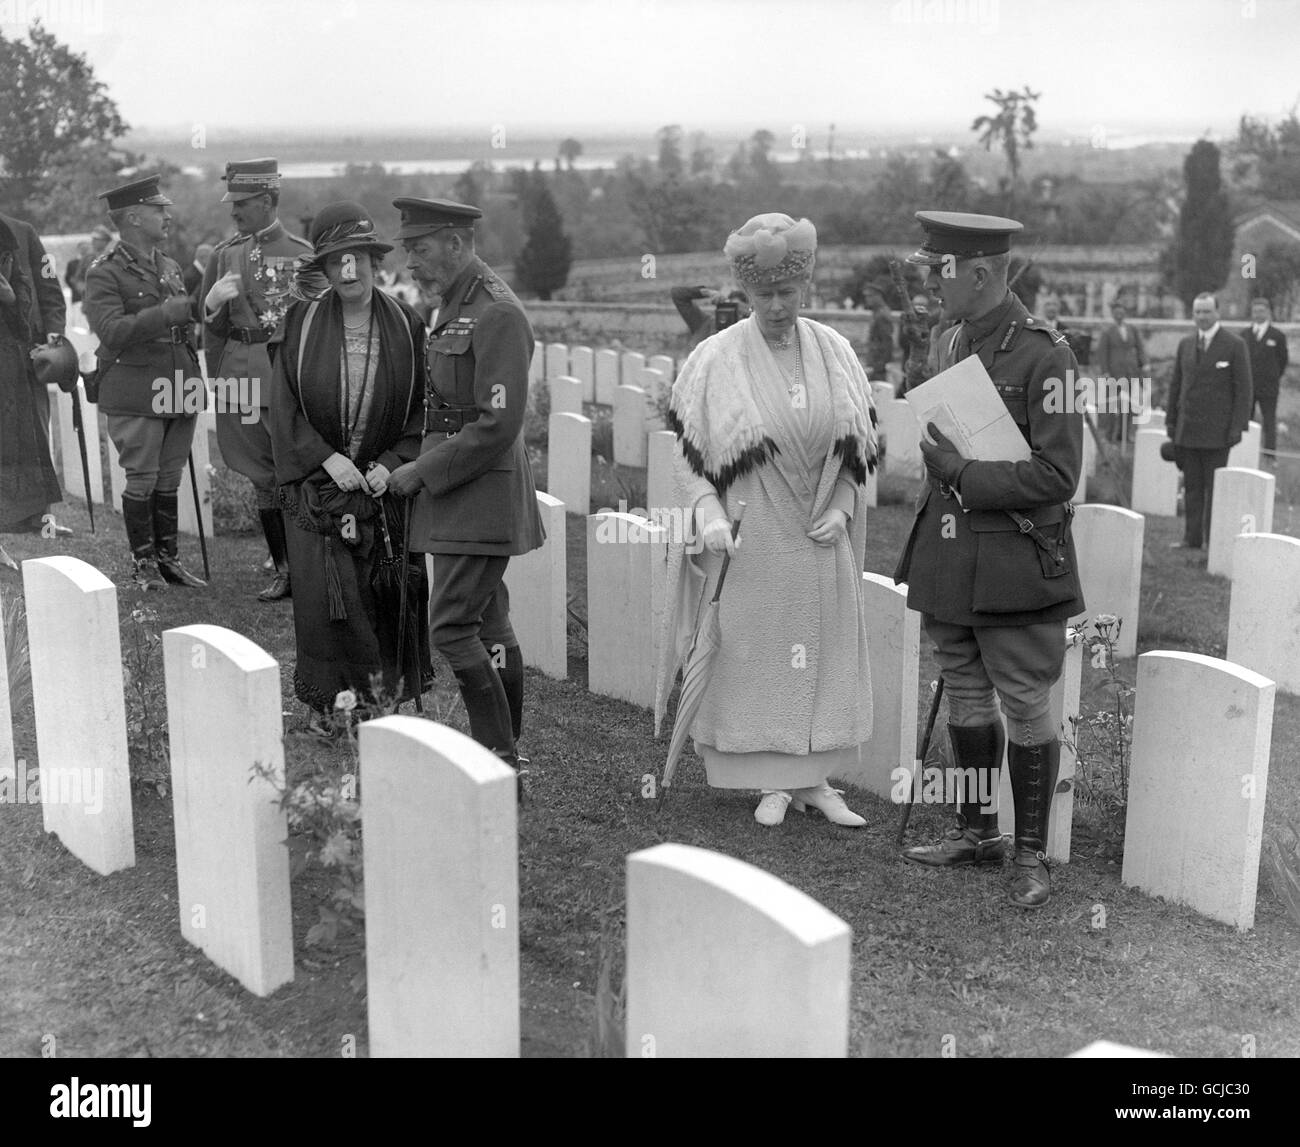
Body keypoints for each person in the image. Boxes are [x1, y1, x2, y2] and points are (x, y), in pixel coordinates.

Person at [652, 213, 879, 828]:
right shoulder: (715, 358)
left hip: (817, 539)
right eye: (763, 295)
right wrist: (708, 512)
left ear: (805, 288)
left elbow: (861, 445)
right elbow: (687, 450)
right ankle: (772, 782)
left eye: (788, 293)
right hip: (753, 539)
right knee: (761, 659)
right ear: (744, 293)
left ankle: (813, 778)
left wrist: (842, 505)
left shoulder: (835, 352)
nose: (776, 306)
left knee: (821, 658)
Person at [895, 211, 1084, 909]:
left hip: (1015, 560)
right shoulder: (948, 342)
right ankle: (978, 832)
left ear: (978, 273)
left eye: (937, 269)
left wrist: (966, 473)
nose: (928, 280)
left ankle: (1031, 853)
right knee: (966, 690)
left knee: (1025, 699)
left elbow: (1059, 475)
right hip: (950, 552)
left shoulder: (1046, 356)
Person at [386, 198, 545, 796]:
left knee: (452, 629)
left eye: (420, 250)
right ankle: (506, 762)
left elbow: (496, 425)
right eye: (408, 252)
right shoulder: (453, 306)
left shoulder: (496, 314)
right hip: (460, 495)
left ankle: (499, 761)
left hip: (479, 494)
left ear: (455, 243)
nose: (412, 265)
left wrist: (422, 472)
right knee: (487, 621)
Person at [268, 201, 431, 730]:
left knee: (382, 598)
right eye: (338, 260)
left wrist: (392, 461)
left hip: (383, 491)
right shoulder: (302, 322)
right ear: (325, 267)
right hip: (321, 487)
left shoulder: (407, 326)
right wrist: (325, 457)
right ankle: (333, 709)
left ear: (373, 260)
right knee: (330, 601)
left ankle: (383, 706)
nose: (350, 271)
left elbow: (420, 411)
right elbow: (284, 404)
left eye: (359, 257)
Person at [83, 175, 207, 592]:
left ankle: (168, 560)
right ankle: (144, 565)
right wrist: (164, 316)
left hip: (178, 382)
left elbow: (184, 323)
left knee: (169, 476)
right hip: (136, 388)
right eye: (159, 210)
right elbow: (111, 332)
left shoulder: (168, 265)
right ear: (133, 217)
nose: (167, 215)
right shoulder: (104, 273)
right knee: (142, 476)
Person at [202, 158, 313, 602]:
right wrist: (210, 306)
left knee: (296, 469)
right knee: (260, 475)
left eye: (243, 203)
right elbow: (213, 328)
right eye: (232, 202)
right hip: (240, 374)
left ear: (268, 200)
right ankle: (284, 569)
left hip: (285, 375)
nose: (234, 211)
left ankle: (306, 563)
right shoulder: (224, 254)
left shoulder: (303, 254)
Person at [0, 209, 70, 537]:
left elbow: (50, 289)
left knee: (36, 431)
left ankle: (41, 517)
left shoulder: (23, 232)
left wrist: (55, 333)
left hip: (28, 350)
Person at [1165, 293, 1253, 552]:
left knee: (1215, 490)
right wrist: (1171, 422)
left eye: (1206, 311)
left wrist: (1237, 428)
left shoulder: (1234, 344)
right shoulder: (1186, 344)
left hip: (1218, 433)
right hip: (1188, 430)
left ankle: (1213, 542)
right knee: (1191, 488)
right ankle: (1191, 539)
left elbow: (1244, 390)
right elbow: (1176, 386)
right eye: (1197, 312)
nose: (1201, 317)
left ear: (1217, 313)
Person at [1094, 297, 1149, 443]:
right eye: (1116, 313)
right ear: (1113, 314)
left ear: (1125, 313)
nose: (1119, 315)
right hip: (1114, 372)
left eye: (1121, 312)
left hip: (1130, 372)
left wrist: (1143, 364)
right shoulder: (1108, 332)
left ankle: (1124, 435)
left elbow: (1140, 348)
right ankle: (1109, 434)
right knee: (1113, 404)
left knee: (1130, 404)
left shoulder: (1132, 329)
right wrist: (1105, 372)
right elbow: (1102, 353)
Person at [1241, 296, 1288, 461]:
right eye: (1255, 311)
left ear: (1268, 312)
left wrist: (1273, 377)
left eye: (1261, 311)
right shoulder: (1245, 335)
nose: (1258, 314)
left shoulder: (1277, 336)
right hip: (1248, 386)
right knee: (1245, 419)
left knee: (1269, 421)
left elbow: (1282, 360)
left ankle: (1269, 455)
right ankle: (1244, 452)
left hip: (1268, 387)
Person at [670, 284, 751, 350]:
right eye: (729, 308)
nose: (731, 314)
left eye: (738, 312)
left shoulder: (751, 332)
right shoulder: (703, 324)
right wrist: (709, 293)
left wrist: (746, 310)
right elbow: (677, 293)